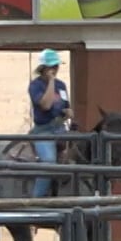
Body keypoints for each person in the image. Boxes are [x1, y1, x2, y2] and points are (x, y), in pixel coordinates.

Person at [28, 49, 71, 199]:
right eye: (51, 67)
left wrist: (68, 112)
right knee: (49, 162)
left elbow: (66, 105)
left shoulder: (62, 85)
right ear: (43, 68)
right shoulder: (35, 86)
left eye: (56, 66)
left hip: (60, 128)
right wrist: (51, 81)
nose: (55, 70)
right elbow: (45, 105)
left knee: (79, 154)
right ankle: (37, 199)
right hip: (43, 131)